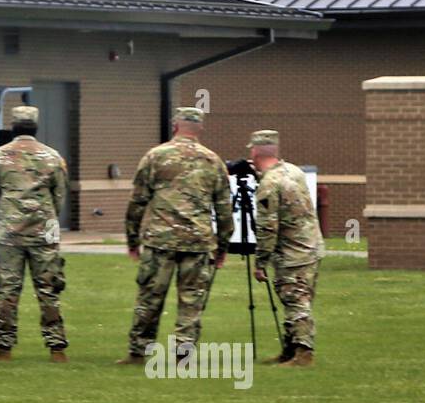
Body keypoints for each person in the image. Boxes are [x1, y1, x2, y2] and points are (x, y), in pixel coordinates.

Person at [120, 106, 232, 365]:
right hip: (198, 241)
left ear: (175, 126)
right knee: (191, 300)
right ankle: (184, 354)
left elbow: (137, 202)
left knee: (150, 297)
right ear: (199, 128)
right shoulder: (213, 161)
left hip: (160, 239)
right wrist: (222, 247)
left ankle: (140, 351)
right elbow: (225, 211)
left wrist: (132, 241)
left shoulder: (155, 156)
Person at [0, 105, 69, 362]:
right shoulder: (52, 157)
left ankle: (4, 349)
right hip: (45, 232)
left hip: (10, 232)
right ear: (35, 127)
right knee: (49, 289)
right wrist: (49, 220)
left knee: (8, 290)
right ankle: (57, 349)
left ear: (14, 126)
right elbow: (60, 196)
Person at [249, 130, 324, 367]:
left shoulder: (269, 184)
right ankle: (290, 350)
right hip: (310, 247)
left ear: (254, 152)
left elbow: (267, 228)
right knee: (299, 298)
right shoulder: (294, 171)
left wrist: (260, 262)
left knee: (295, 301)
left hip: (292, 253)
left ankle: (303, 353)